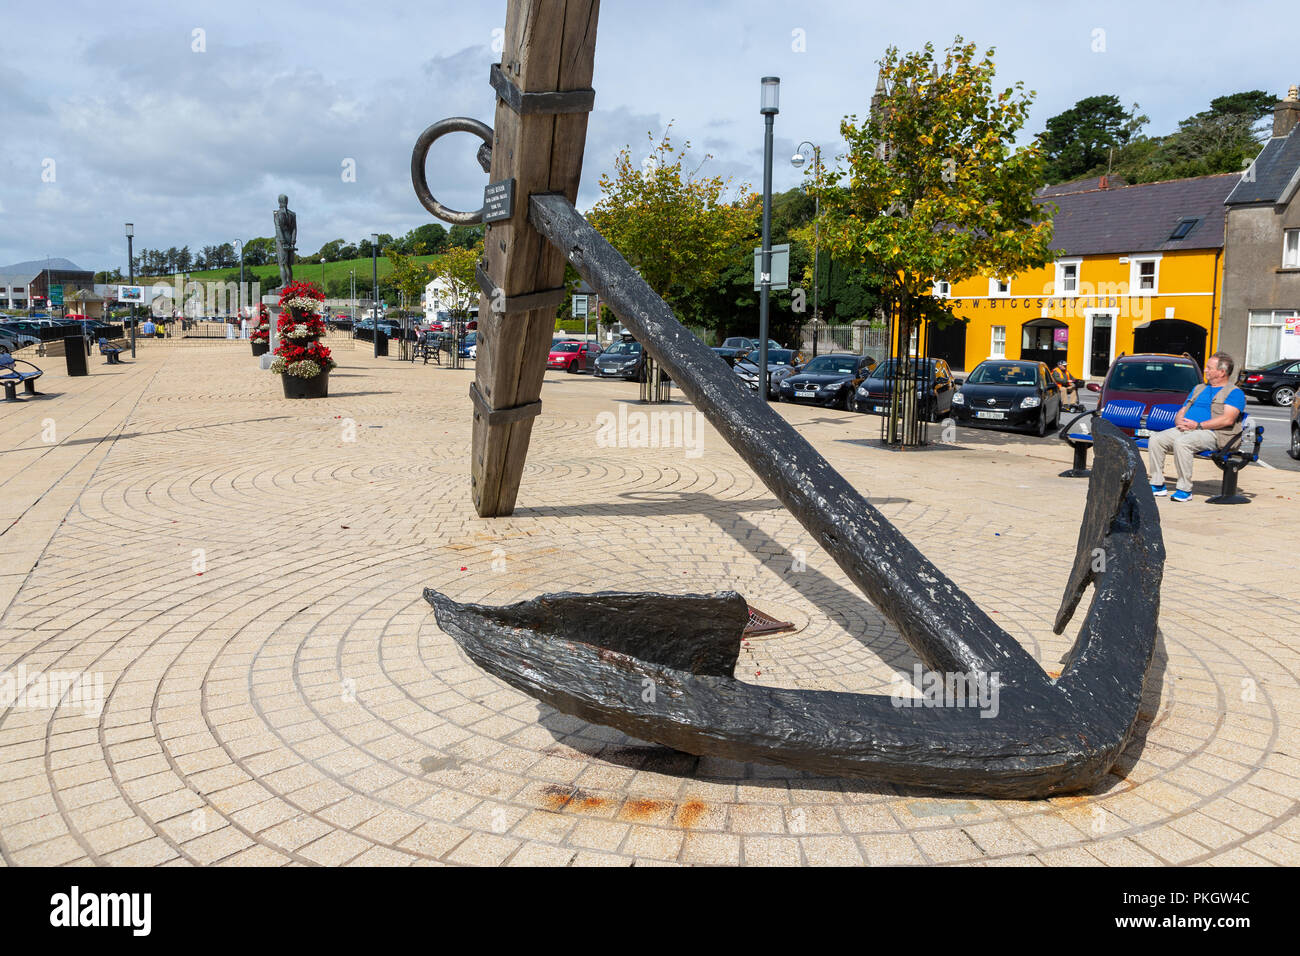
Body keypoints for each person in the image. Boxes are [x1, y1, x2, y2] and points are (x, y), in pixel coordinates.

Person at [1147, 352, 1246, 502]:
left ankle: (1184, 489)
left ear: (1222, 372)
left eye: (1209, 368)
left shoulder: (1234, 393)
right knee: (1156, 439)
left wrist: (1198, 425)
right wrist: (1179, 420)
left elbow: (1227, 420)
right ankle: (1157, 484)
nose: (1205, 370)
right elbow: (1183, 409)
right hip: (1188, 429)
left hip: (1214, 433)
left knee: (1182, 443)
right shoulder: (1199, 388)